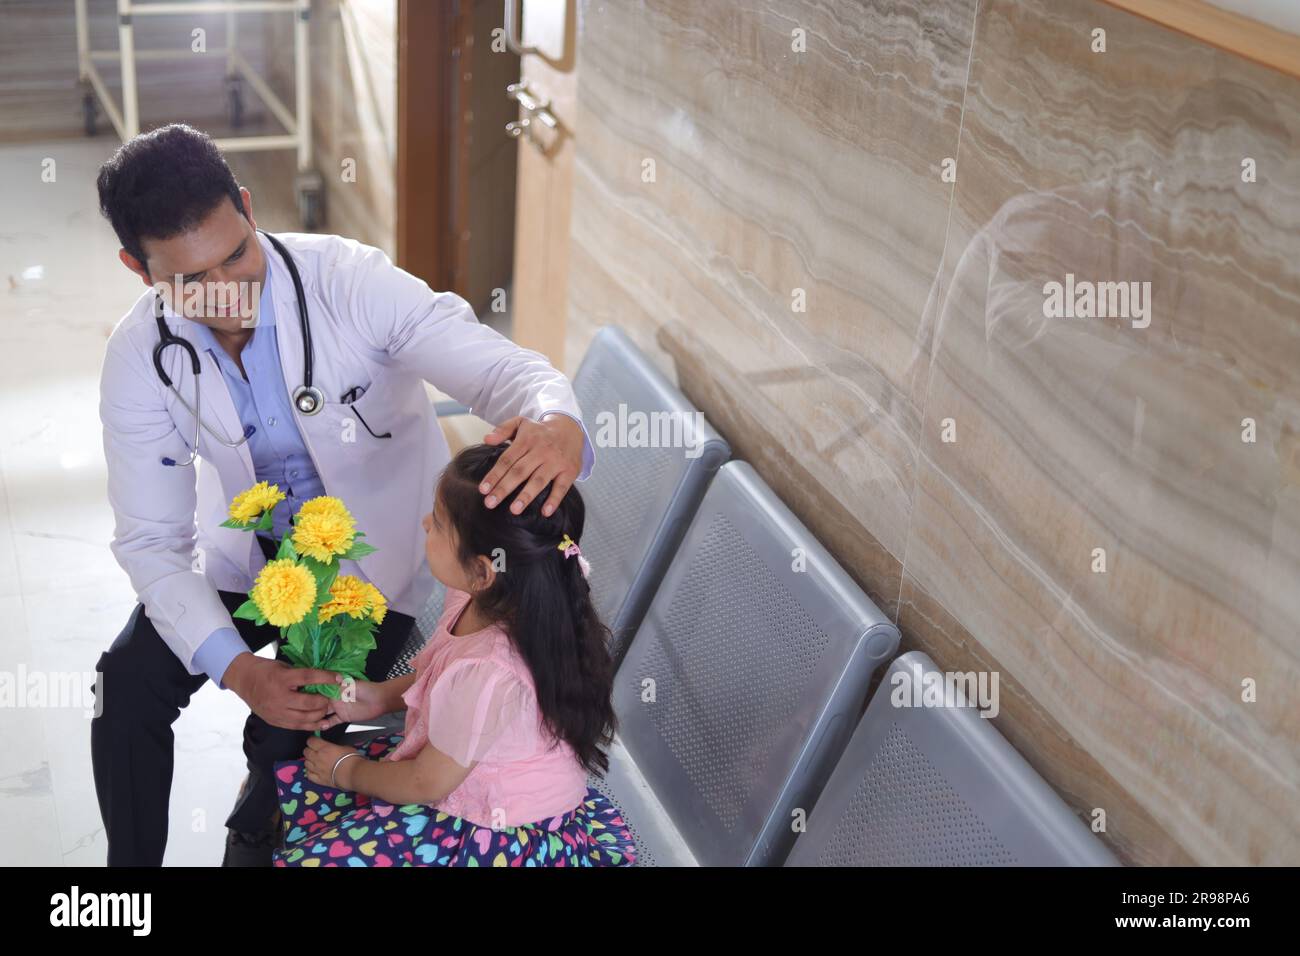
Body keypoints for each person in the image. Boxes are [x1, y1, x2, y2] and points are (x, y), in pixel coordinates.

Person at [91, 124, 595, 866]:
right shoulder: (141, 358)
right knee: (125, 685)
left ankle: (257, 829)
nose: (228, 292)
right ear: (141, 270)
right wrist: (238, 668)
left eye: (238, 254)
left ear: (249, 207)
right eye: (192, 281)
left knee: (288, 733)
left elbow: (501, 372)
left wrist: (557, 419)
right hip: (252, 561)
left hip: (369, 567)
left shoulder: (347, 282)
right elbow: (152, 543)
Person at [272, 443, 635, 866]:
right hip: (462, 775)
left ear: (483, 569)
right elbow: (446, 674)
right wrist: (382, 697)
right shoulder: (484, 598)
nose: (427, 523)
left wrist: (348, 772)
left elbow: (427, 781)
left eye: (440, 523)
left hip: (491, 834)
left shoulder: (493, 669)